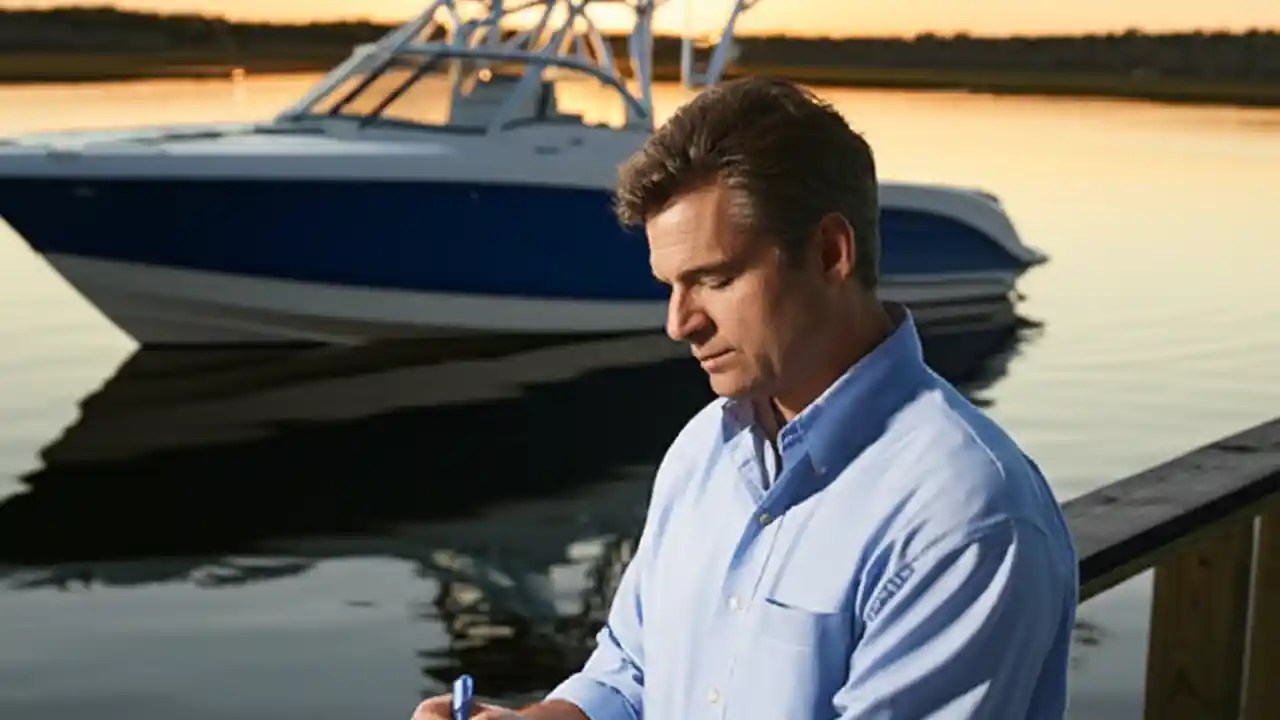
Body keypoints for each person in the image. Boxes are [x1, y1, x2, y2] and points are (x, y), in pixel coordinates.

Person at [413, 76, 1079, 720]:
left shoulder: (965, 522)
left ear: (829, 252)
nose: (680, 323)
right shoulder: (703, 448)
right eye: (670, 285)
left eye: (714, 278)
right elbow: (631, 672)